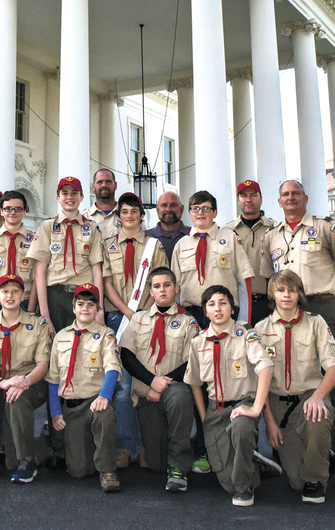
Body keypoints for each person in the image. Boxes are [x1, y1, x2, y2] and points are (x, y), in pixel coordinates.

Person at [261, 179, 335, 489]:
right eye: (285, 194)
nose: (290, 198)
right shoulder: (272, 237)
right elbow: (272, 276)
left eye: (296, 193)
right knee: (291, 379)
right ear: (278, 201)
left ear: (305, 198)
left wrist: (327, 288)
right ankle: (313, 454)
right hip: (285, 312)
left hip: (322, 310)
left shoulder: (325, 228)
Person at [258, 270, 335, 504]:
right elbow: (260, 383)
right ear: (272, 295)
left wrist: (318, 397)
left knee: (318, 415)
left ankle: (317, 478)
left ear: (299, 294)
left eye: (292, 290)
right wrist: (269, 423)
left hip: (309, 396)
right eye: (280, 290)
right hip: (278, 403)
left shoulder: (315, 322)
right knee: (296, 481)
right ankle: (321, 453)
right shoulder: (260, 330)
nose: (286, 295)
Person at [184, 285, 274, 507]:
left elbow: (265, 367)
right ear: (205, 311)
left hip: (242, 404)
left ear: (232, 309)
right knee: (226, 482)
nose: (218, 309)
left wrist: (255, 409)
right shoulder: (198, 342)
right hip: (216, 409)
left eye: (223, 303)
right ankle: (252, 463)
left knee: (241, 431)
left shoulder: (246, 334)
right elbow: (194, 382)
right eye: (211, 304)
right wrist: (205, 416)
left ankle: (245, 488)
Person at [102, 192, 168, 468]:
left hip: (148, 319)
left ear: (142, 215)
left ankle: (146, 446)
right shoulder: (108, 245)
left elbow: (161, 281)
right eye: (124, 211)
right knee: (122, 386)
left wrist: (143, 311)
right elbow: (106, 283)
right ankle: (126, 445)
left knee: (144, 382)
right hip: (119, 319)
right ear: (118, 216)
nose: (129, 216)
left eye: (134, 211)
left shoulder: (155, 246)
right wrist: (128, 312)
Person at [119, 267, 199, 492]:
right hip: (146, 393)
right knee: (155, 463)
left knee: (180, 396)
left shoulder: (188, 321)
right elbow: (127, 355)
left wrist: (163, 383)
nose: (162, 290)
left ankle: (179, 467)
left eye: (167, 285)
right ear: (151, 292)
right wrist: (152, 381)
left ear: (176, 288)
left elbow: (193, 361)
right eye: (157, 286)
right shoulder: (138, 319)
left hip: (174, 390)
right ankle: (182, 447)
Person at [0, 274, 52, 483]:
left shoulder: (37, 323)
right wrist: (3, 383)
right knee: (10, 462)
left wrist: (23, 382)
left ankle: (27, 461)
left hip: (33, 382)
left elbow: (43, 364)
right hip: (4, 384)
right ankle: (41, 447)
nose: (10, 296)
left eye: (16, 291)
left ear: (23, 295)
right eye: (5, 292)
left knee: (17, 398)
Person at [46, 283, 122, 492]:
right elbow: (53, 378)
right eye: (80, 304)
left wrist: (104, 396)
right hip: (71, 407)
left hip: (95, 401)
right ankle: (87, 453)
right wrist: (55, 412)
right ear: (73, 308)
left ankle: (107, 469)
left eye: (91, 304)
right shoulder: (61, 337)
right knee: (79, 471)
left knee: (105, 414)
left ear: (98, 309)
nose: (85, 309)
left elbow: (112, 368)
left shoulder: (106, 335)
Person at [29, 176, 104, 336]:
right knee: (56, 348)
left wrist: (100, 309)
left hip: (83, 295)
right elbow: (40, 271)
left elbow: (97, 269)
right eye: (65, 193)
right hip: (55, 296)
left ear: (81, 197)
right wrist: (45, 314)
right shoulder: (47, 227)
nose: (69, 197)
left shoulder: (90, 228)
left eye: (74, 193)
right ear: (58, 198)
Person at [170, 190, 254, 328]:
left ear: (215, 213)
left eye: (206, 209)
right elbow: (175, 287)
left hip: (224, 313)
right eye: (195, 208)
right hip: (190, 315)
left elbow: (244, 281)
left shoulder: (230, 238)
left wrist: (244, 320)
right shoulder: (181, 245)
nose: (200, 213)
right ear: (190, 213)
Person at [225, 180, 275, 326]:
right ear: (238, 199)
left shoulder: (275, 228)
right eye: (244, 196)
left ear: (261, 198)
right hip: (236, 304)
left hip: (268, 302)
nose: (248, 200)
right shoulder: (227, 231)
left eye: (253, 195)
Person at [145, 191, 191, 261]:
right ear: (157, 210)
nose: (168, 209)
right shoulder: (146, 238)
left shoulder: (193, 235)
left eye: (173, 205)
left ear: (182, 209)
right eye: (164, 205)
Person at [88, 168, 120, 237]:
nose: (104, 185)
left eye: (108, 181)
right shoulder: (83, 218)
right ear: (93, 187)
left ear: (115, 185)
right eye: (99, 182)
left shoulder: (128, 217)